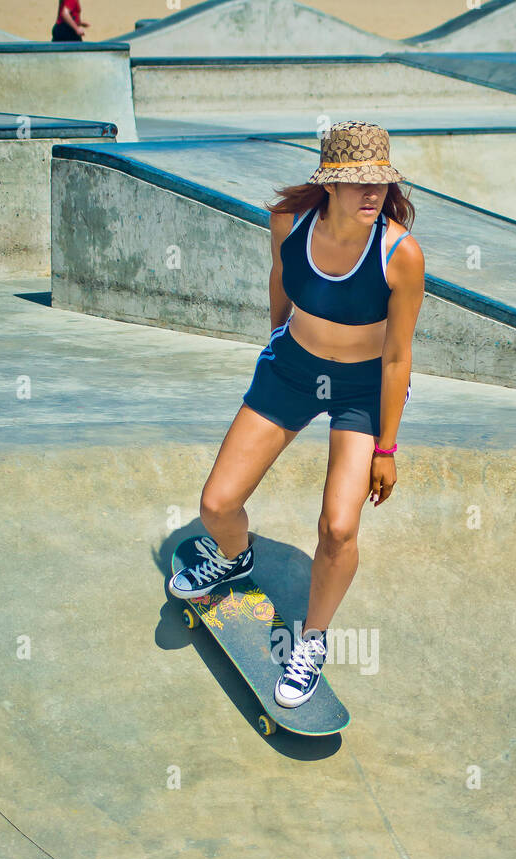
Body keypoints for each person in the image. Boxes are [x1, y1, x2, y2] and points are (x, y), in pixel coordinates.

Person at [170, 122, 425, 709]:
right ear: (329, 187)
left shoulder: (399, 255)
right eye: (357, 184)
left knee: (338, 527)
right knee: (216, 504)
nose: (372, 195)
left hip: (364, 389)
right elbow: (280, 279)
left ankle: (311, 640)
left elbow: (398, 357)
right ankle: (234, 560)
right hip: (292, 369)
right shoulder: (289, 224)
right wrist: (277, 338)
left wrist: (387, 448)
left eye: (381, 185)